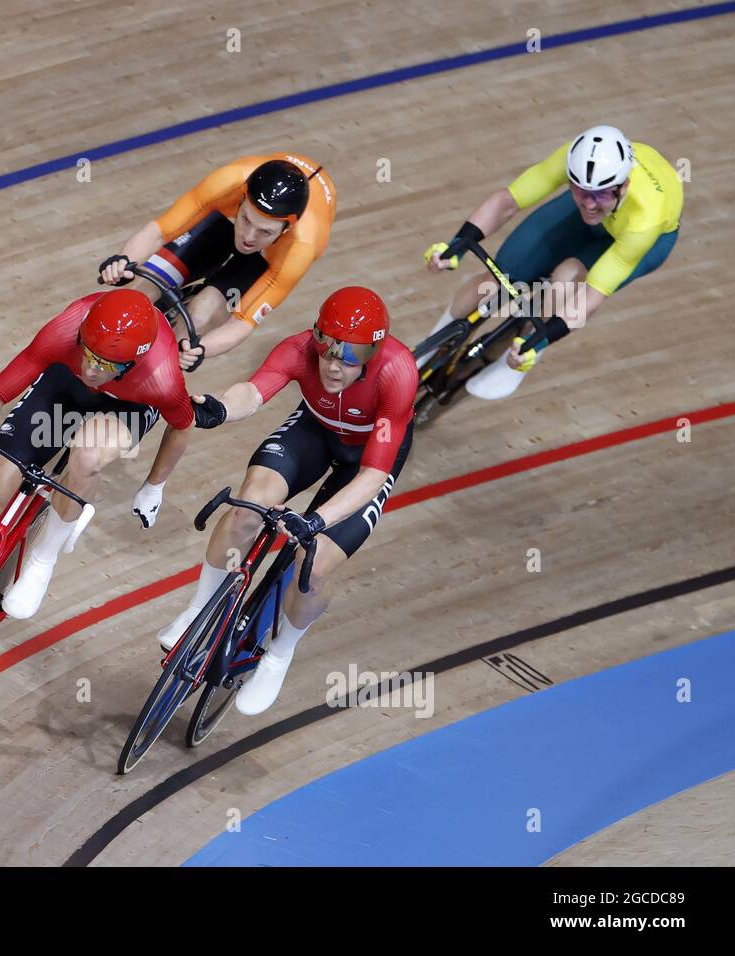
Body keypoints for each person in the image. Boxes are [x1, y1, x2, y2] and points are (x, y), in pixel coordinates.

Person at [0, 289, 226, 661]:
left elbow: (182, 426)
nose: (93, 370)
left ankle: (44, 557)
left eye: (106, 365)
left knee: (87, 457)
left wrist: (154, 486)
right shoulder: (65, 329)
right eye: (90, 355)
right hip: (63, 384)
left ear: (131, 364)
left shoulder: (161, 377)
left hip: (127, 404)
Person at [159, 287, 416, 716]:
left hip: (367, 460)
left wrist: (315, 521)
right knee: (247, 504)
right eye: (327, 353)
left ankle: (280, 653)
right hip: (313, 433)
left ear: (371, 356)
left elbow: (373, 476)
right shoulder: (297, 349)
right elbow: (254, 392)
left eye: (349, 359)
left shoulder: (398, 372)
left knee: (312, 566)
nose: (334, 367)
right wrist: (220, 408)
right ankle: (198, 608)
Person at [424, 125, 683, 399]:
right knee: (499, 276)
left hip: (640, 240)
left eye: (603, 194)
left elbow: (592, 295)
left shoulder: (646, 219)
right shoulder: (574, 162)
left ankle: (517, 361)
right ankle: (429, 346)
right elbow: (508, 201)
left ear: (624, 186)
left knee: (567, 277)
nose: (590, 204)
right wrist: (458, 244)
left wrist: (540, 341)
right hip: (608, 218)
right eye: (580, 191)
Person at [98, 154, 337, 371]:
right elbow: (159, 232)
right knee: (144, 290)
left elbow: (243, 323)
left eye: (264, 231)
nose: (249, 237)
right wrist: (123, 260)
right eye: (246, 220)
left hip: (270, 255)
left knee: (199, 319)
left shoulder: (301, 248)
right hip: (225, 218)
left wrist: (199, 350)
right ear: (242, 196)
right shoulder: (228, 181)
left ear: (287, 228)